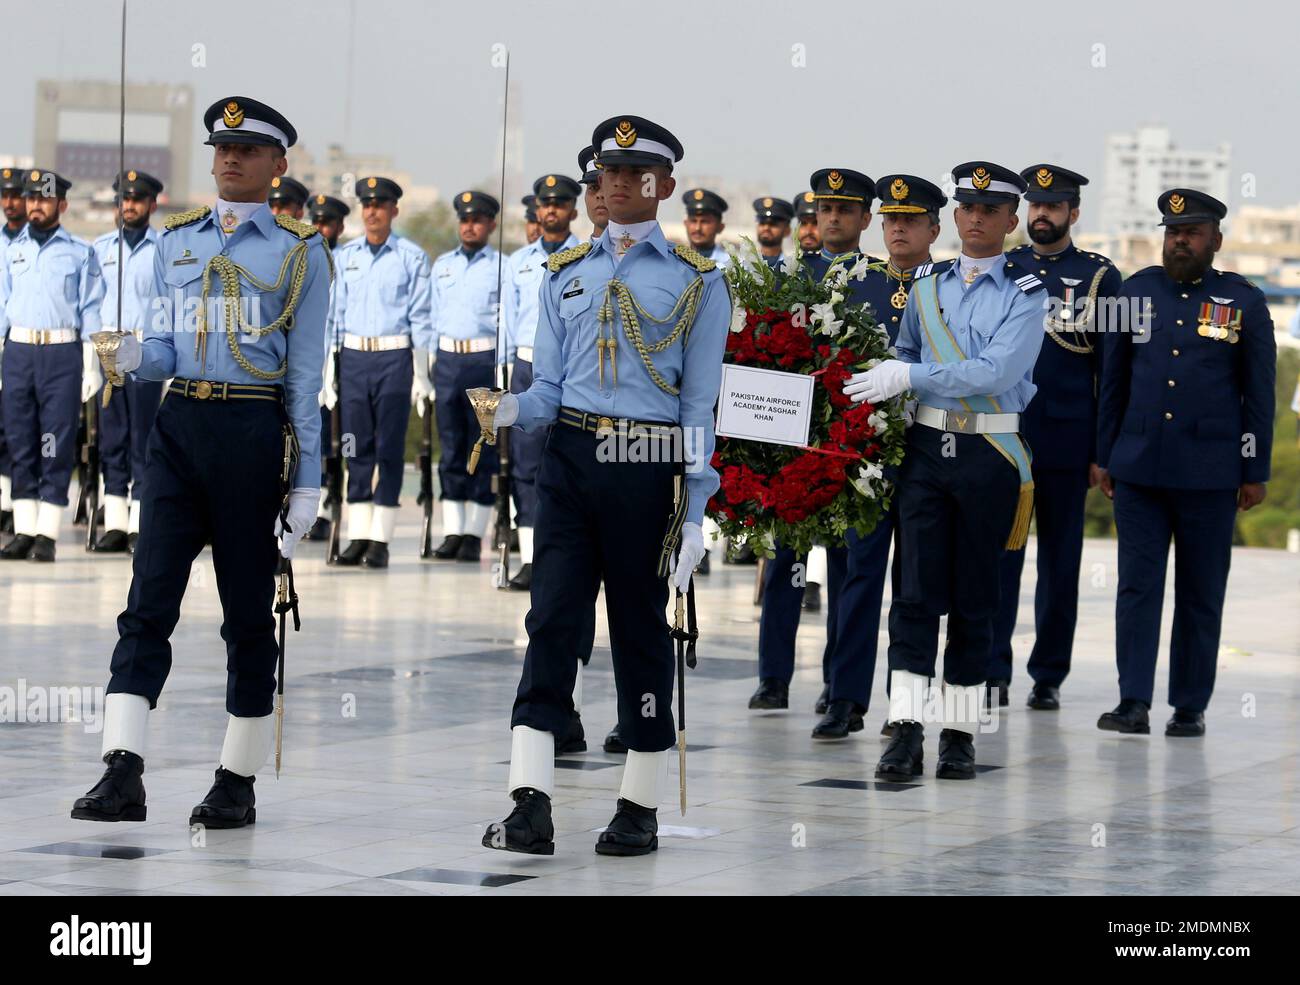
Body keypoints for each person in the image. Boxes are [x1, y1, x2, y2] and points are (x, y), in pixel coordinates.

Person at [69, 97, 330, 827]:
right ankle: (122, 767)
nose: (230, 158)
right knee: (148, 598)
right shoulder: (175, 241)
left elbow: (304, 380)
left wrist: (307, 482)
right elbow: (163, 347)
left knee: (248, 613)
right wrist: (129, 355)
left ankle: (237, 775)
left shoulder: (301, 252)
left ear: (277, 165)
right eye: (222, 147)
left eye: (248, 151)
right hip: (179, 424)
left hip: (251, 430)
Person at [481, 115, 729, 856]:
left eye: (638, 172)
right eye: (610, 172)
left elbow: (697, 404)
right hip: (568, 461)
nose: (620, 183)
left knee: (639, 630)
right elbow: (549, 388)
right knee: (552, 620)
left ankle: (639, 803)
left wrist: (695, 505)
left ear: (665, 185)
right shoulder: (564, 274)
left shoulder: (698, 283)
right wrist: (510, 409)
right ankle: (530, 799)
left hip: (645, 467)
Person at [850, 161, 1044, 780]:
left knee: (975, 600)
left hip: (989, 455)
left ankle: (959, 732)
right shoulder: (928, 287)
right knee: (911, 598)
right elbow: (905, 350)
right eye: (968, 208)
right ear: (955, 217)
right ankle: (904, 729)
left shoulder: (1028, 294)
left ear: (1012, 221)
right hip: (928, 451)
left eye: (991, 210)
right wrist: (893, 373)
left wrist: (911, 375)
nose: (978, 218)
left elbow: (994, 372)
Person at [1095, 188, 1275, 738]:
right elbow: (1113, 382)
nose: (1180, 242)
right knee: (1137, 588)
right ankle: (1133, 701)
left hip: (1210, 473)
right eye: (1173, 232)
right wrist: (1104, 458)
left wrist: (1254, 469)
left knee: (1200, 592)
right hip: (1140, 470)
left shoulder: (1244, 302)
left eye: (1191, 233)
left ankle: (1190, 705)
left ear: (1214, 240)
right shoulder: (1134, 291)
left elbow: (1259, 396)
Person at [988, 165, 1122, 710]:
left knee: (1061, 564)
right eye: (1036, 206)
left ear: (1073, 212)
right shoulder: (1003, 265)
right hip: (1006, 437)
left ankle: (1048, 675)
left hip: (1069, 441)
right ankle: (993, 665)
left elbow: (1112, 373)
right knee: (1001, 558)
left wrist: (1103, 452)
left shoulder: (1099, 276)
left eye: (1054, 205)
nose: (1043, 214)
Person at [749, 168, 877, 728]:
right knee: (784, 561)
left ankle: (838, 685)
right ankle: (773, 677)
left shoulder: (880, 279)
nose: (830, 218)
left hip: (850, 444)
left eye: (844, 210)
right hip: (791, 438)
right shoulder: (783, 275)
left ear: (864, 220)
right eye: (823, 208)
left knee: (850, 565)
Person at [0, 169, 104, 562]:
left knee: (54, 441)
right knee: (19, 438)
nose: (36, 206)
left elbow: (91, 310)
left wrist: (92, 364)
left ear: (61, 204)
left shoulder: (80, 252)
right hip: (19, 352)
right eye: (31, 199)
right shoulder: (11, 250)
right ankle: (24, 528)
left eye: (44, 200)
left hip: (60, 355)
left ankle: (47, 531)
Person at [331, 176, 433, 568]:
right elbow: (334, 316)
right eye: (367, 204)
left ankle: (380, 537)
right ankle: (357, 532)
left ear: (394, 210)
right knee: (355, 444)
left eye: (380, 204)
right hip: (354, 357)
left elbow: (420, 317)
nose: (372, 211)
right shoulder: (345, 257)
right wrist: (329, 365)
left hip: (394, 357)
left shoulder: (411, 257)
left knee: (389, 447)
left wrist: (422, 371)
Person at [502, 174, 582, 591]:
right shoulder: (517, 261)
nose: (551, 210)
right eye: (545, 203)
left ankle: (568, 554)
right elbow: (508, 321)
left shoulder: (584, 258)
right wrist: (502, 373)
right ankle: (532, 557)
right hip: (526, 368)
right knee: (525, 466)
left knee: (570, 464)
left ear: (573, 209)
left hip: (571, 373)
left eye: (561, 202)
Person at [92, 169, 166, 554]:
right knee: (112, 438)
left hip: (145, 350)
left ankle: (141, 521)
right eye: (124, 198)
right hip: (107, 349)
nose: (130, 205)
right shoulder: (101, 248)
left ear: (152, 204)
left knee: (144, 437)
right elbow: (90, 302)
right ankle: (116, 521)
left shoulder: (163, 250)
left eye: (138, 199)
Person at [428, 190, 501, 562]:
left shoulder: (500, 265)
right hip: (447, 359)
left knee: (483, 445)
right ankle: (453, 529)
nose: (469, 226)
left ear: (490, 224)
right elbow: (431, 313)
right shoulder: (442, 265)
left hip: (482, 360)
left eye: (477, 220)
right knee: (451, 445)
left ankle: (475, 532)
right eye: (464, 219)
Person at [306, 193, 350, 542]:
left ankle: (324, 507)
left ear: (339, 227)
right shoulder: (302, 259)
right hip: (304, 361)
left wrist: (333, 366)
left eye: (328, 223)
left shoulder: (346, 262)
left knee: (333, 443)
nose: (321, 228)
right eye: (316, 221)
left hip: (334, 361)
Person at [0, 166, 25, 534]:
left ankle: (10, 504)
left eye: (14, 195)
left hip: (22, 343)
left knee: (16, 430)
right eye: (3, 196)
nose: (8, 203)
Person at [681, 188, 730, 268]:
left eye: (705, 222)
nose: (697, 228)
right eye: (693, 221)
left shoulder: (731, 265)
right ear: (686, 224)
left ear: (720, 227)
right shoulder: (675, 262)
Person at [753, 196, 793, 269]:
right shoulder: (745, 267)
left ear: (787, 231)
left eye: (773, 224)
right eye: (762, 223)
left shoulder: (791, 269)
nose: (766, 228)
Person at [794, 190, 821, 256]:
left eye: (815, 223)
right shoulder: (785, 265)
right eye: (803, 223)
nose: (808, 232)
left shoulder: (838, 265)